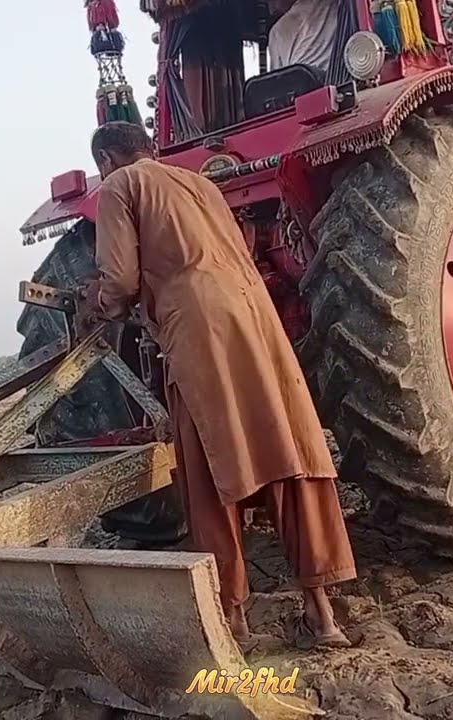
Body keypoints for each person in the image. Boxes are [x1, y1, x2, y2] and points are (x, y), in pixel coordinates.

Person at [75, 121, 357, 649]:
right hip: (255, 318)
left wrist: (98, 304)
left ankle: (236, 622)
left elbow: (120, 279)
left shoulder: (119, 185)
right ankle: (322, 618)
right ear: (150, 148)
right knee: (286, 449)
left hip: (198, 328)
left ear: (107, 160)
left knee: (210, 465)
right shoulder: (202, 183)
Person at [267, 0, 342, 82]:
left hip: (302, 84)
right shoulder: (332, 4)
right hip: (338, 79)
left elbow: (277, 78)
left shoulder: (277, 31)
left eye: (271, 2)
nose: (271, 8)